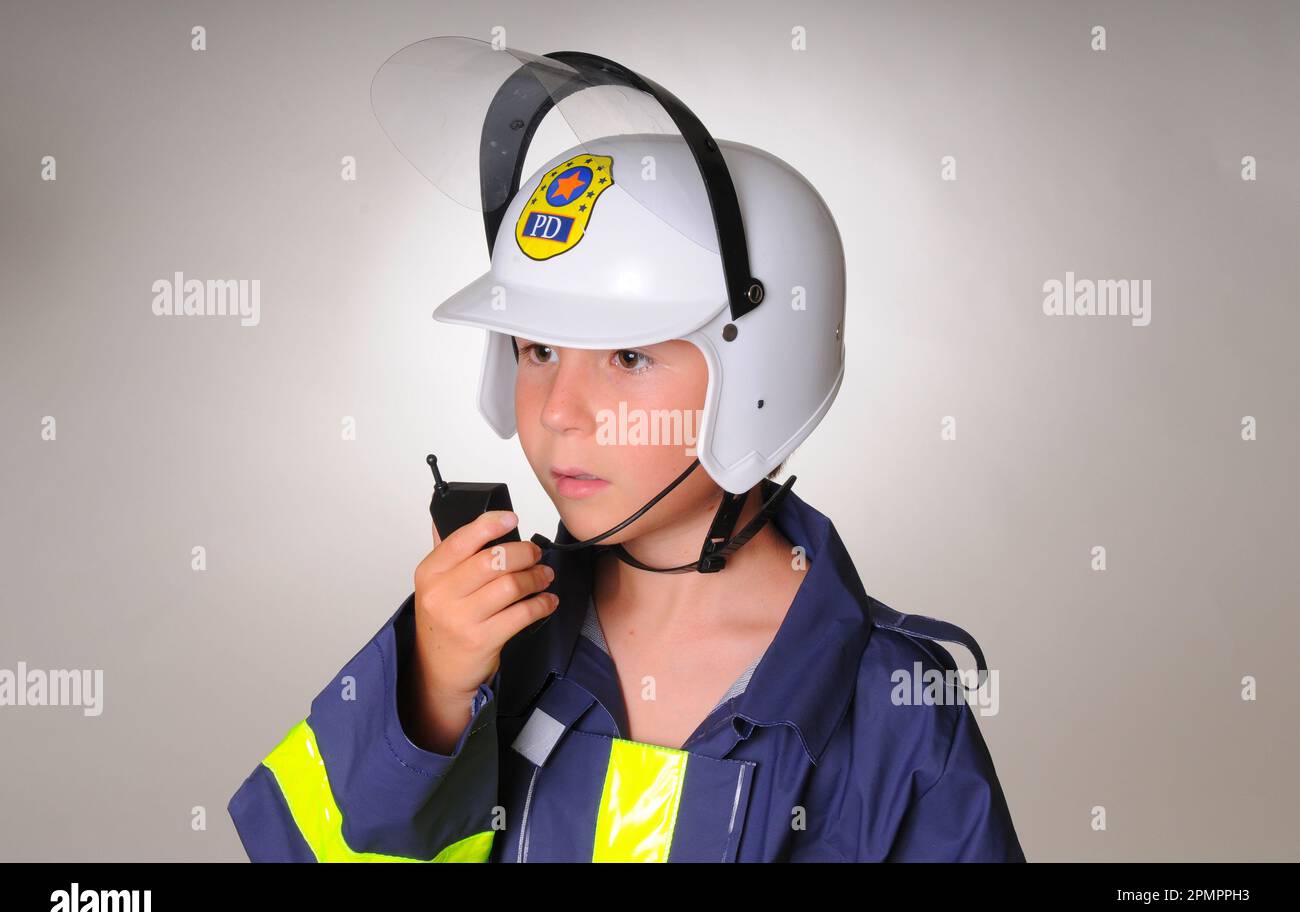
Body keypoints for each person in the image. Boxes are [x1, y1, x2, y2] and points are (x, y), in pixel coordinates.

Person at [226, 37, 1025, 862]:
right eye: (537, 352)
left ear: (763, 371)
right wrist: (429, 697)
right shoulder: (483, 639)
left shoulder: (894, 709)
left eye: (629, 356)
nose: (560, 412)